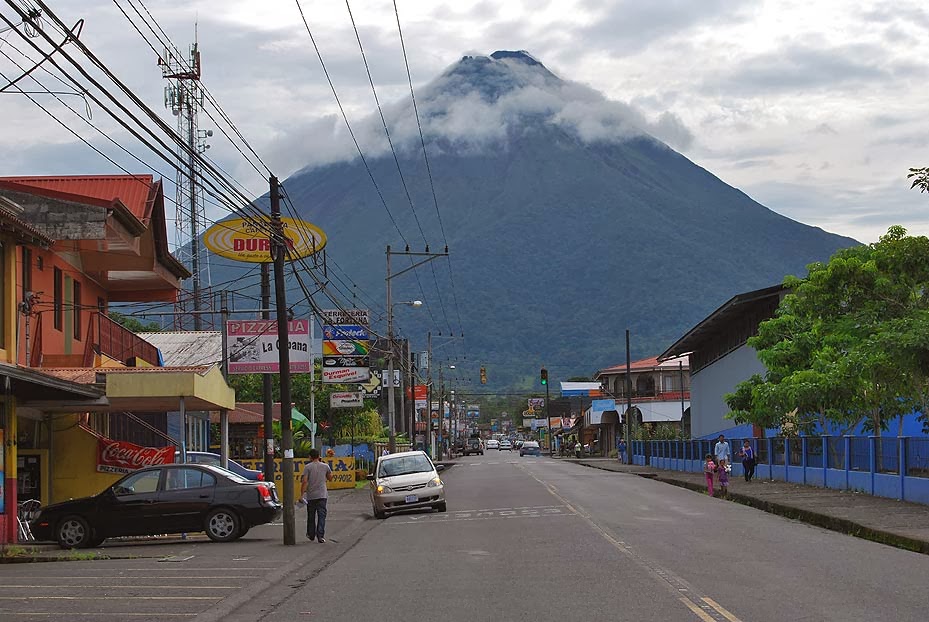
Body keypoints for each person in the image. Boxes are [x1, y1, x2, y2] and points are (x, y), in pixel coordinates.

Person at [300, 448, 333, 543]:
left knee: (311, 515)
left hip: (311, 495)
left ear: (310, 457)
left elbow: (304, 481)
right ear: (319, 456)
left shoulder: (307, 467)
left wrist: (302, 494)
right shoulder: (325, 466)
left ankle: (311, 534)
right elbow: (330, 478)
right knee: (322, 515)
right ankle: (320, 536)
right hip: (322, 494)